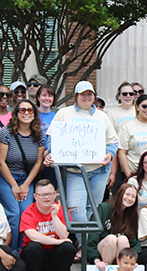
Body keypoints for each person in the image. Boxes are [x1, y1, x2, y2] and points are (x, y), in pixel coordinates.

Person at [53, 81, 119, 224]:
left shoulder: (102, 116)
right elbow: (52, 138)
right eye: (83, 94)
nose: (86, 97)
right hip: (74, 170)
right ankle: (82, 242)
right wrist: (52, 153)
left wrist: (109, 154)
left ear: (94, 96)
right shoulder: (63, 113)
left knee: (93, 208)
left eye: (89, 94)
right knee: (76, 209)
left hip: (99, 171)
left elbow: (113, 142)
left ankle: (87, 245)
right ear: (76, 96)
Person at [0, 99, 45, 250]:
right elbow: (0, 161)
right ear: (16, 113)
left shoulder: (39, 134)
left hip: (26, 178)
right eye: (22, 110)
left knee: (26, 213)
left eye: (30, 110)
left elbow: (38, 163)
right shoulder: (6, 132)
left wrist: (25, 185)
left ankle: (22, 249)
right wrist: (14, 185)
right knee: (14, 214)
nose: (26, 113)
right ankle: (11, 250)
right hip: (6, 177)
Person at [20, 179, 75, 271]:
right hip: (35, 256)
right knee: (33, 247)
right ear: (35, 196)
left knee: (68, 247)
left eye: (49, 194)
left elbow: (64, 235)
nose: (47, 198)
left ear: (55, 194)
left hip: (55, 255)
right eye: (42, 195)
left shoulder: (61, 210)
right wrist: (57, 242)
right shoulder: (28, 212)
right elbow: (33, 236)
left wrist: (54, 216)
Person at [86, 183, 141, 266]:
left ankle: (122, 268)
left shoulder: (132, 216)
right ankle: (108, 268)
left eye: (133, 196)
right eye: (127, 194)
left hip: (120, 255)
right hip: (102, 252)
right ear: (120, 194)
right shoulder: (104, 208)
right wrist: (96, 259)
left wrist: (133, 260)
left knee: (123, 239)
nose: (130, 198)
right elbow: (92, 237)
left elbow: (134, 242)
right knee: (112, 239)